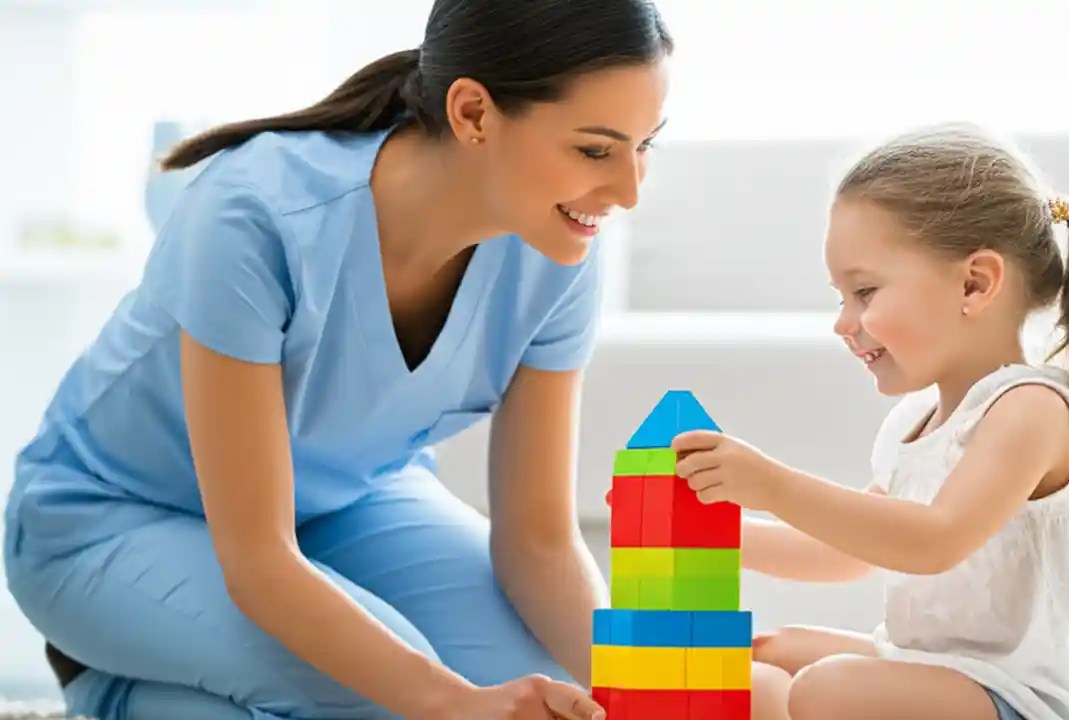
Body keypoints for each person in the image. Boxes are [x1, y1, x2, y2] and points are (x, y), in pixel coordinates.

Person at [3, 1, 672, 718]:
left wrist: (656, 693)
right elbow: (259, 560)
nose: (629, 192)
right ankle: (110, 687)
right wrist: (451, 704)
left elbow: (538, 541)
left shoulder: (559, 250)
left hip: (347, 502)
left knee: (538, 682)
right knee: (393, 696)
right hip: (111, 519)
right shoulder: (255, 215)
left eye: (644, 146)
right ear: (474, 113)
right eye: (595, 151)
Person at [671, 123, 1069, 720]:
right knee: (768, 653)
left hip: (1033, 702)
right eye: (841, 297)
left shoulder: (1031, 409)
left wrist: (770, 485)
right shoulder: (914, 423)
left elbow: (932, 540)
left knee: (829, 689)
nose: (843, 322)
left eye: (865, 292)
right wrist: (712, 532)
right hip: (953, 677)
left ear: (974, 283)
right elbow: (849, 552)